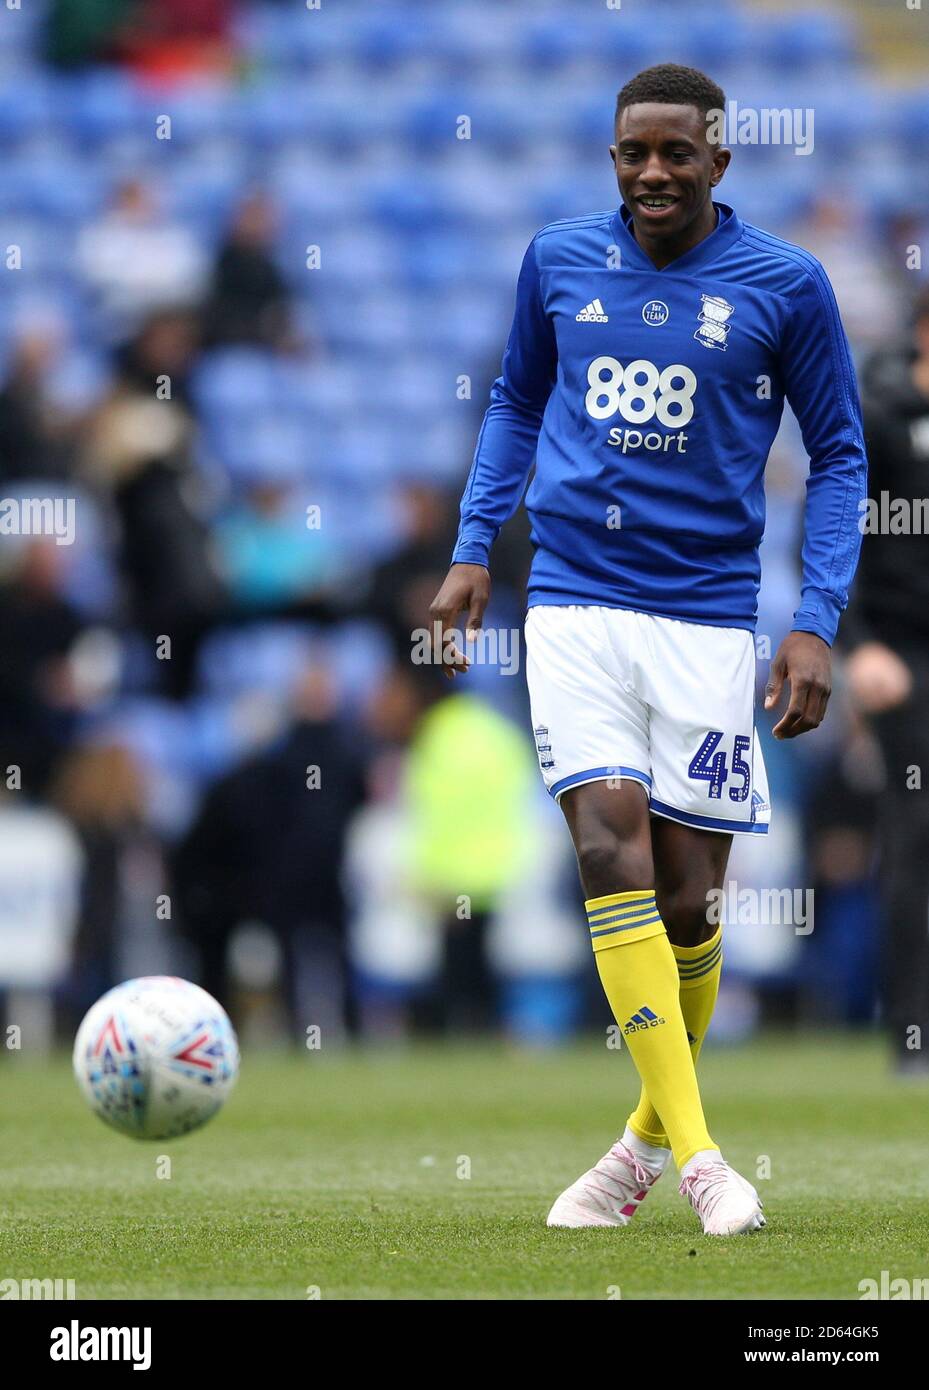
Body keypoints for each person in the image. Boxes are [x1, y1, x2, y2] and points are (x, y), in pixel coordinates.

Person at [429, 65, 866, 1236]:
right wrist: (476, 545)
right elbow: (517, 401)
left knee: (686, 900)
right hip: (572, 599)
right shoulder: (557, 260)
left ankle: (634, 1145)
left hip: (708, 618)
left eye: (675, 154)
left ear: (719, 160)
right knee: (603, 842)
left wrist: (815, 618)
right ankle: (704, 1159)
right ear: (610, 156)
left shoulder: (785, 285)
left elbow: (837, 456)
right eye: (632, 153)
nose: (652, 174)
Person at [845, 284, 929, 1076]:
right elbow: (834, 534)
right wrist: (857, 642)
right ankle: (912, 1031)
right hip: (905, 655)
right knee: (917, 834)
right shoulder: (881, 417)